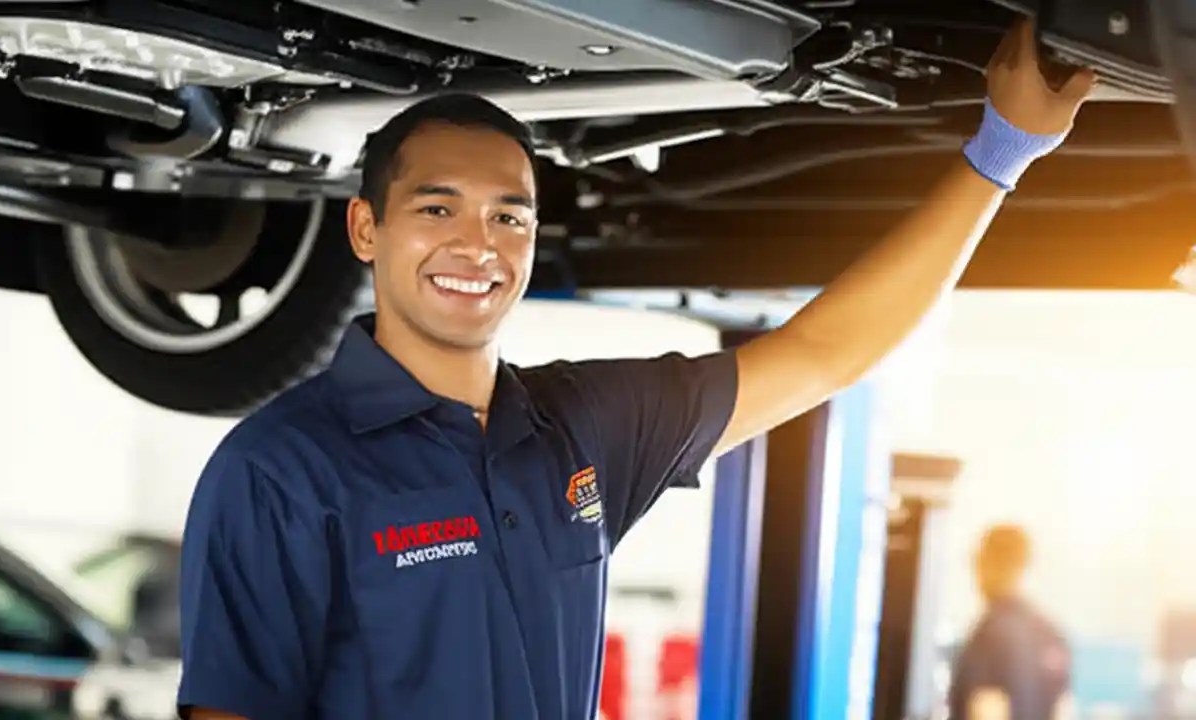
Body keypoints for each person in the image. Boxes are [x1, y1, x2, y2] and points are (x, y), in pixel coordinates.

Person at [176, 19, 1095, 720]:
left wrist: (1001, 152)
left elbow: (824, 352)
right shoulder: (280, 472)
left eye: (509, 217)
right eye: (438, 209)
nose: (476, 245)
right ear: (366, 229)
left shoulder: (583, 428)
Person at [948, 525, 1072, 720]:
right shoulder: (1052, 635)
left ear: (985, 562)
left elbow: (987, 711)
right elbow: (1063, 712)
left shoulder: (991, 634)